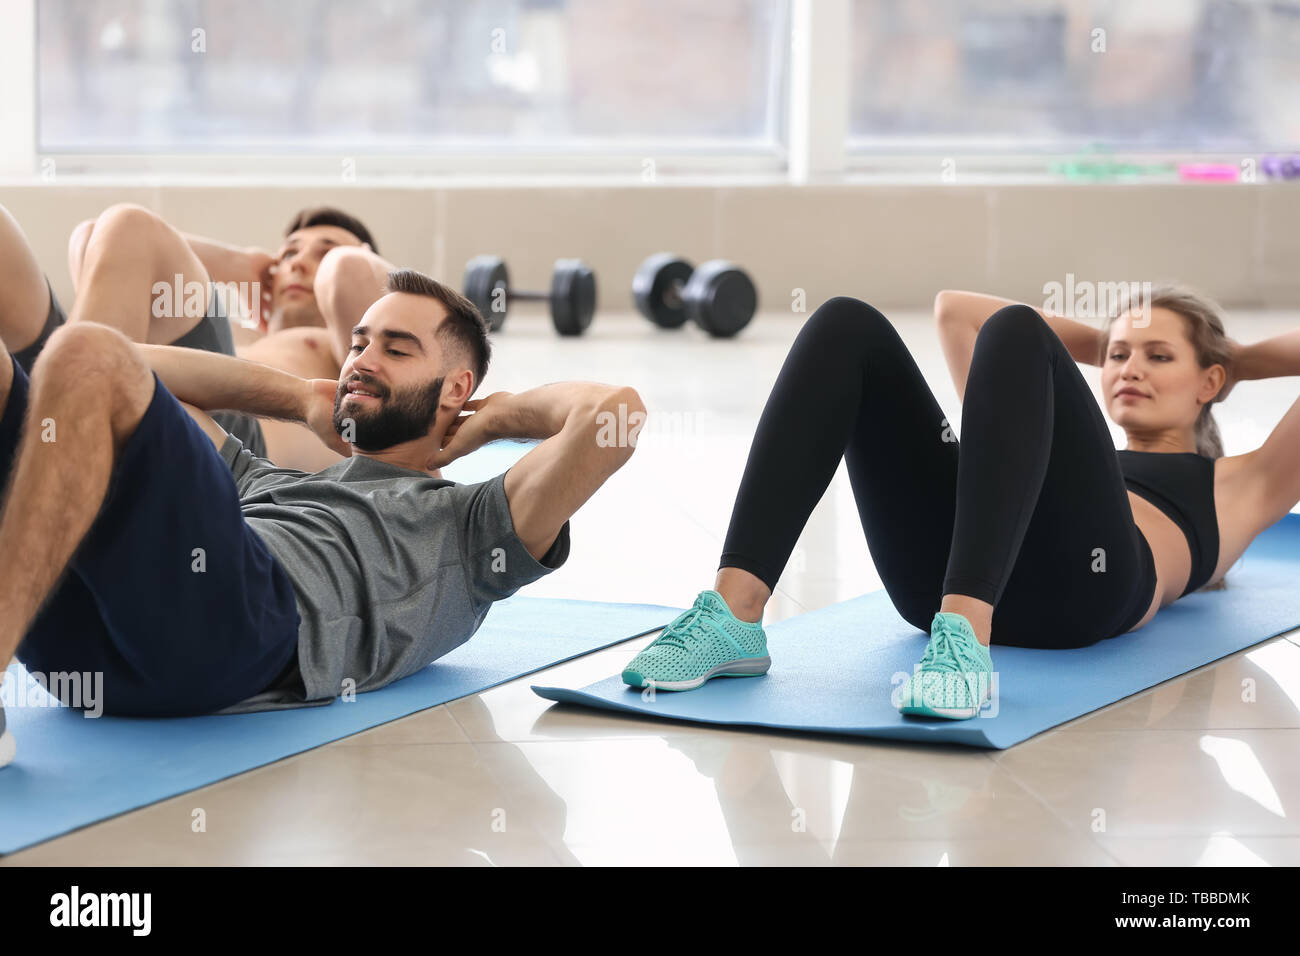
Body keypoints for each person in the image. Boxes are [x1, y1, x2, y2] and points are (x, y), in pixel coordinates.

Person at [0, 255, 643, 767]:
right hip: (84, 656)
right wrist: (296, 397)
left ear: (456, 387)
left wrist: (503, 414)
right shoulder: (264, 479)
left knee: (85, 353)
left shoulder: (471, 526)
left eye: (396, 349)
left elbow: (616, 417)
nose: (361, 361)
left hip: (241, 632)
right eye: (358, 345)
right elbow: (116, 369)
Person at [621, 287, 1300, 720]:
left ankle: (965, 647)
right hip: (938, 585)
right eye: (1119, 355)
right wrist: (1102, 345)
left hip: (1083, 593)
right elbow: (952, 308)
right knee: (847, 323)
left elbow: (1005, 329)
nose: (1130, 368)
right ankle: (736, 615)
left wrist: (1235, 358)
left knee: (1019, 329)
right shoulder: (1031, 426)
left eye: (1159, 356)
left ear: (1210, 380)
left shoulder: (1240, 482)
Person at [63, 203, 393, 470]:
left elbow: (350, 272)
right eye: (288, 255)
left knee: (130, 225)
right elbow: (92, 239)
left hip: (236, 442)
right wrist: (239, 263)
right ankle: (72, 442)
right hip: (162, 401)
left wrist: (356, 254)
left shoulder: (350, 347)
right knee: (101, 232)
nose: (299, 264)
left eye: (324, 253)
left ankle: (66, 446)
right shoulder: (241, 337)